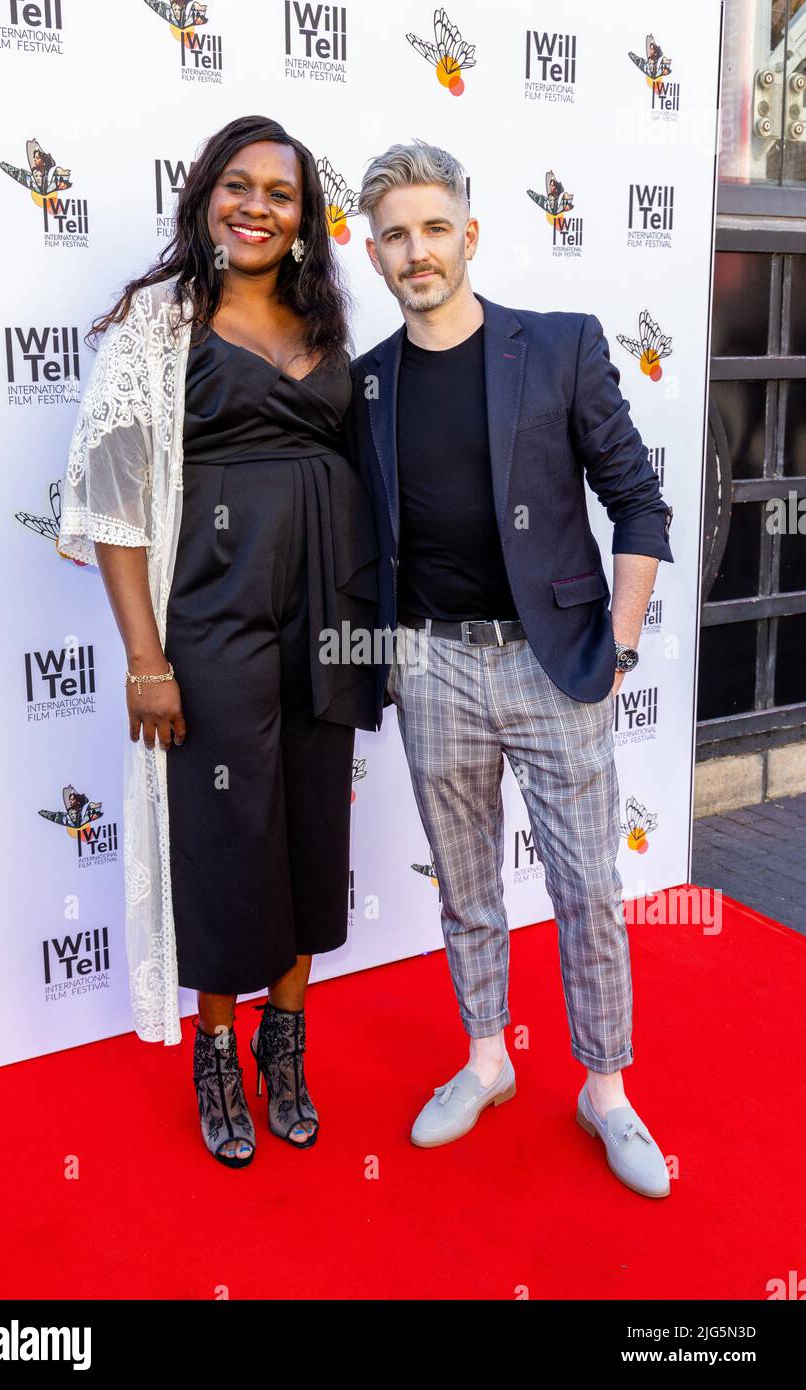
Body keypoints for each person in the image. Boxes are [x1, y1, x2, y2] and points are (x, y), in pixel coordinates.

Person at [344, 140, 674, 1199]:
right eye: (394, 234)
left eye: (434, 227)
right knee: (467, 887)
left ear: (469, 234)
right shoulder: (365, 386)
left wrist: (618, 641)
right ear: (373, 251)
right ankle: (486, 1059)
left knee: (586, 887)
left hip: (550, 660)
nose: (416, 250)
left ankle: (605, 1088)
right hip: (431, 666)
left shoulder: (558, 347)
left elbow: (639, 501)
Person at [59, 115, 379, 1168]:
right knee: (222, 838)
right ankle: (215, 1051)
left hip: (324, 617)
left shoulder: (326, 322)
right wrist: (147, 659)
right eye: (235, 187)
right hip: (210, 614)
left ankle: (286, 1052)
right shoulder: (161, 323)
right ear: (204, 200)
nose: (255, 206)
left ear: (303, 219)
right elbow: (114, 506)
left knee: (304, 837)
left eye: (278, 194)